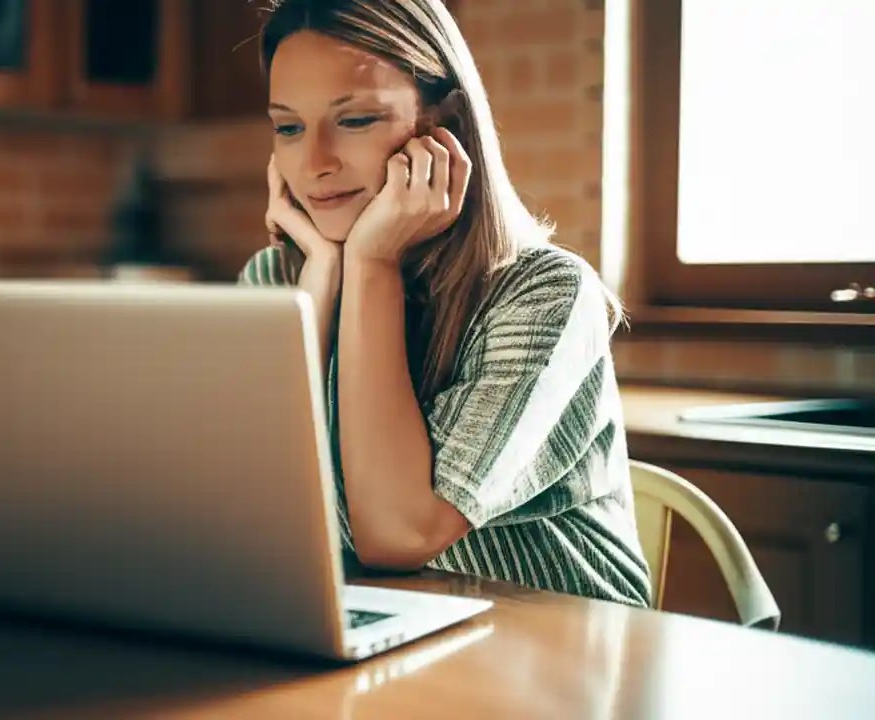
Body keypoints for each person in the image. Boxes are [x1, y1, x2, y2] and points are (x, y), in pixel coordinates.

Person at [239, 0, 650, 606]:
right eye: (289, 128)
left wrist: (372, 261)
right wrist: (322, 283)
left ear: (445, 124)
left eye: (354, 120)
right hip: (375, 636)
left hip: (555, 658)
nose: (317, 163)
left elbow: (398, 532)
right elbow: (247, 515)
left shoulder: (547, 295)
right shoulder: (281, 278)